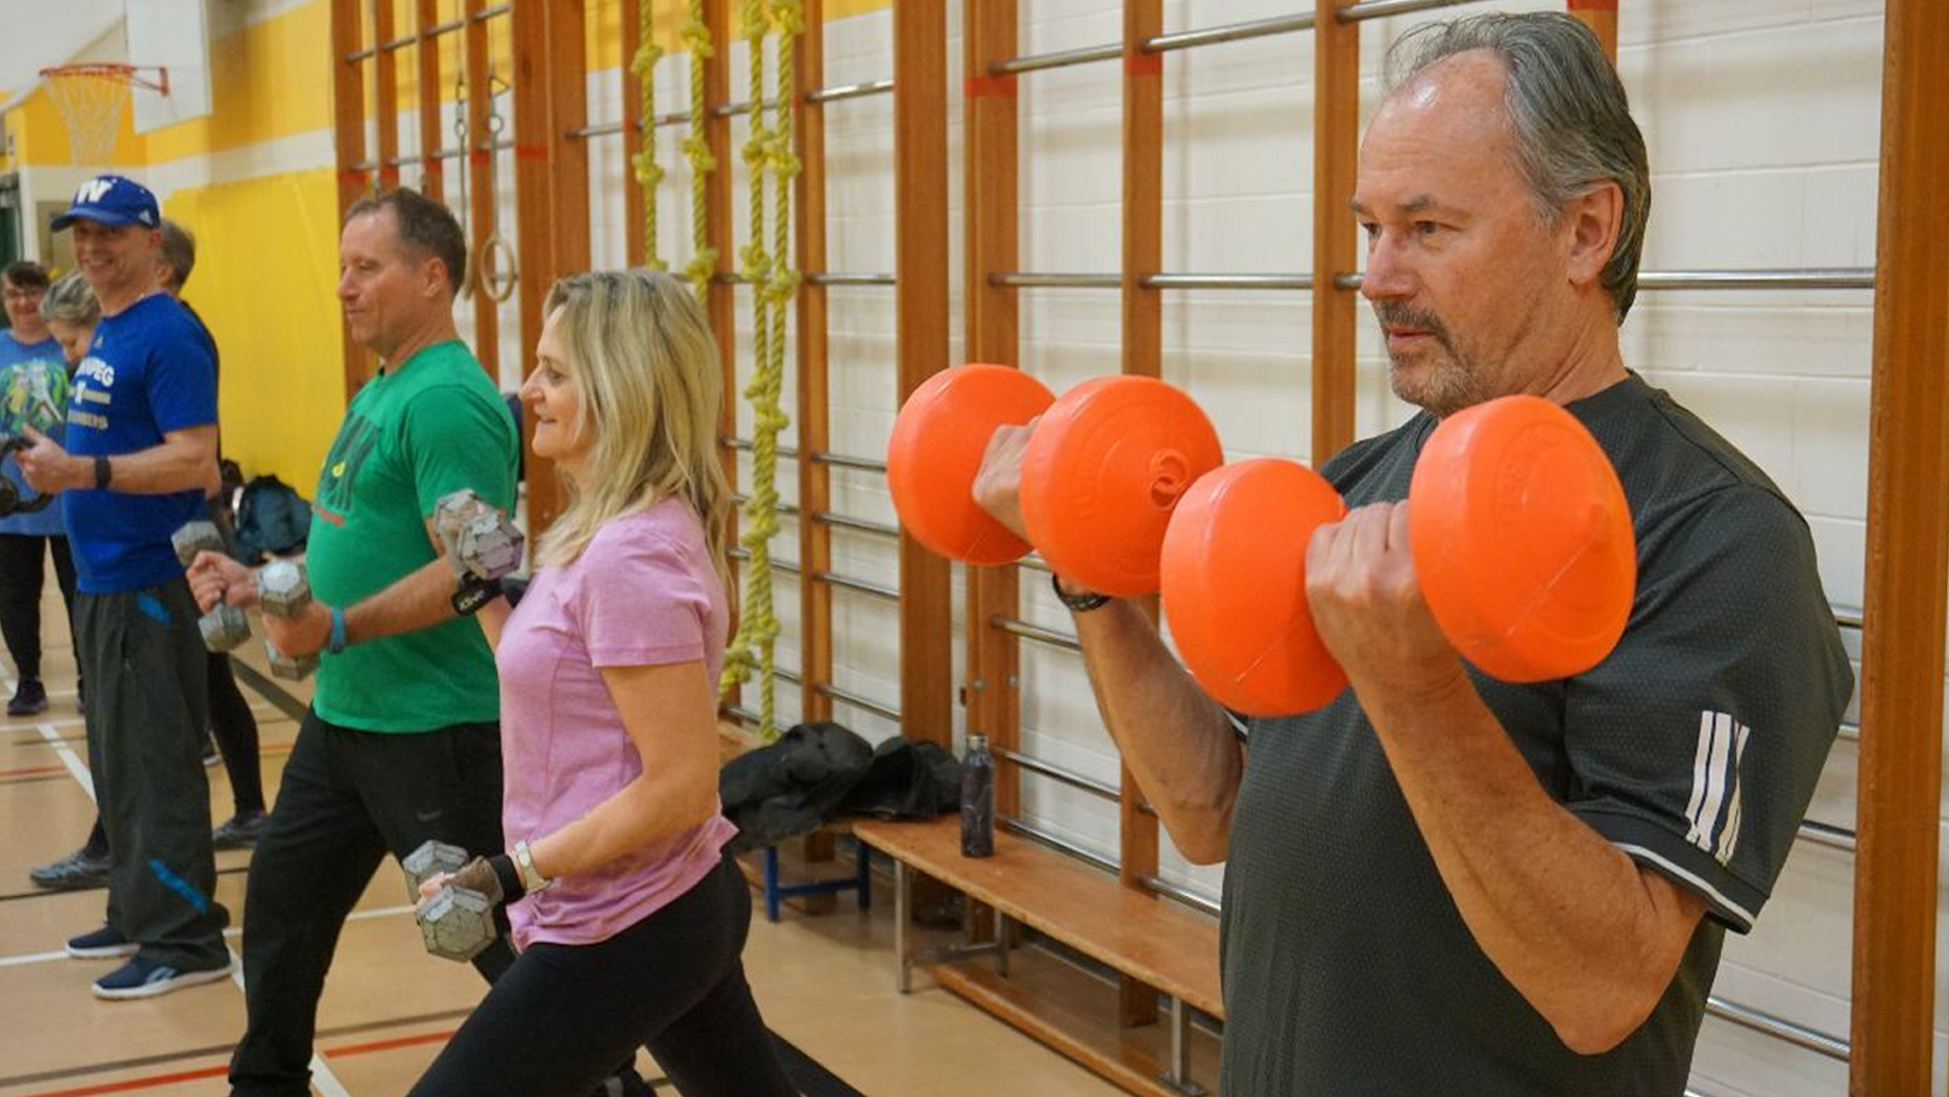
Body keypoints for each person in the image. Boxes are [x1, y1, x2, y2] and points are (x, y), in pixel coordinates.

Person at [973, 14, 1851, 1095]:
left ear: (1585, 231)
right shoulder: (1351, 482)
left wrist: (1412, 682)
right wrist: (1090, 570)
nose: (1376, 278)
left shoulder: (1715, 539)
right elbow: (1210, 809)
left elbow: (1603, 983)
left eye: (1427, 228)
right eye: (1370, 228)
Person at [188, 189, 646, 1097]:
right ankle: (265, 1084)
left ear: (431, 277)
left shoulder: (446, 402)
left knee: (496, 939)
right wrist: (265, 582)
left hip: (438, 733)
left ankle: (604, 1081)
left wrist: (340, 625)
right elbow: (360, 540)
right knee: (282, 912)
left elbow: (470, 568)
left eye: (367, 268)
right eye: (343, 268)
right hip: (348, 717)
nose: (343, 288)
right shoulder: (387, 384)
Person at [405, 269, 796, 1097]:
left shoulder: (630, 555)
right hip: (657, 901)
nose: (528, 390)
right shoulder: (607, 529)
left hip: (631, 919)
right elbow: (564, 687)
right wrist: (478, 588)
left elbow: (683, 786)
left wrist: (511, 871)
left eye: (554, 372)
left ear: (619, 390)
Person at [17, 174, 231, 999]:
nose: (93, 248)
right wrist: (50, 474)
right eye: (82, 234)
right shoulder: (108, 329)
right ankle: (138, 906)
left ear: (151, 241)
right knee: (116, 761)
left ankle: (183, 938)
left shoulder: (167, 334)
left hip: (147, 582)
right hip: (103, 580)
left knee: (154, 765)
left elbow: (195, 459)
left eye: (111, 233)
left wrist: (84, 469)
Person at [157, 218, 269, 848]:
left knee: (209, 671)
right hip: (186, 523)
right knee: (209, 675)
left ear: (162, 266)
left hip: (195, 524)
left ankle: (250, 805)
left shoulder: (180, 336)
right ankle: (250, 805)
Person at [0, 260, 78, 717]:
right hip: (10, 499)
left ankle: (90, 679)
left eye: (32, 293)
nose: (24, 303)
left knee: (79, 591)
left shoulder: (68, 345)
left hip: (69, 492)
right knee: (15, 596)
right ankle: (28, 680)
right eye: (14, 294)